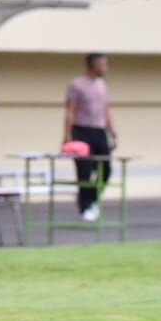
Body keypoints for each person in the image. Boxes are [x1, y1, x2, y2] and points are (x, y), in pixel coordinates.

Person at [63, 53, 116, 223]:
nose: (106, 68)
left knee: (106, 170)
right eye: (103, 64)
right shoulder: (77, 85)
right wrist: (67, 135)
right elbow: (70, 111)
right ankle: (85, 207)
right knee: (84, 171)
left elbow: (106, 110)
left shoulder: (102, 85)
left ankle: (90, 199)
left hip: (99, 131)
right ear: (94, 65)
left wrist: (112, 132)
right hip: (81, 130)